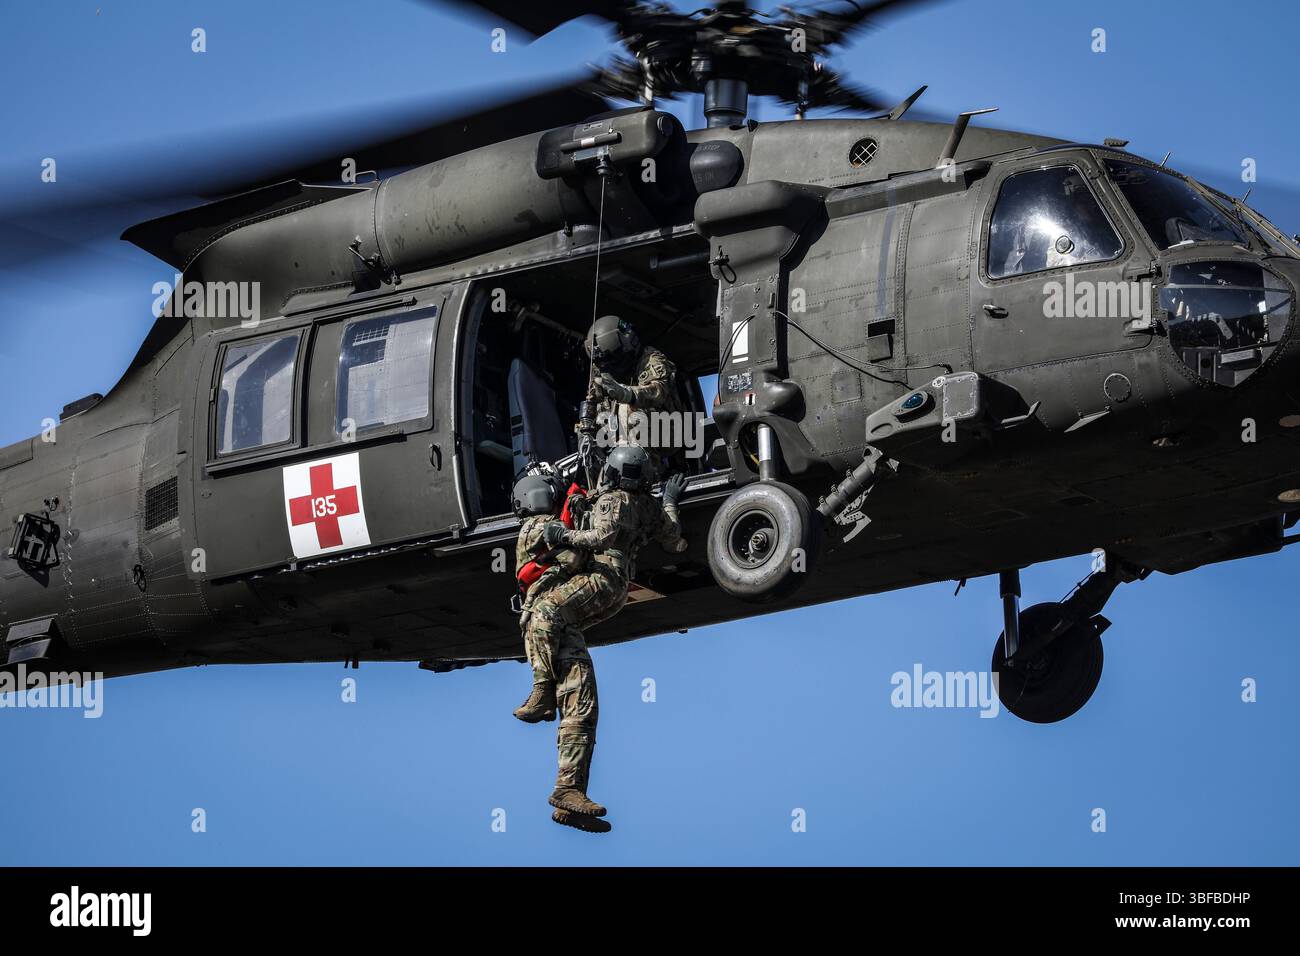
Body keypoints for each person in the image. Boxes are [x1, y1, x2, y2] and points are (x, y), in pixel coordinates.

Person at [534, 444, 688, 832]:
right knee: (582, 702)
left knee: (546, 612)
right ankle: (568, 793)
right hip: (617, 594)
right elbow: (675, 539)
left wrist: (562, 534)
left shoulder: (611, 500)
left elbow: (600, 538)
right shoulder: (648, 507)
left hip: (599, 579)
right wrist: (669, 501)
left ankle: (540, 689)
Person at [510, 472, 589, 724]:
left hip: (552, 594)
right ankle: (547, 694)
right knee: (542, 628)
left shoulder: (535, 527)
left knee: (545, 632)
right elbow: (563, 536)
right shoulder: (533, 527)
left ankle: (548, 696)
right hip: (549, 590)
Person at [583, 314, 686, 473]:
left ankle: (651, 474)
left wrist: (627, 394)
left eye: (615, 359)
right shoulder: (601, 369)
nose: (612, 367)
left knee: (629, 411)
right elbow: (592, 401)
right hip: (621, 445)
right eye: (606, 363)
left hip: (669, 433)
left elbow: (657, 391)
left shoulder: (651, 359)